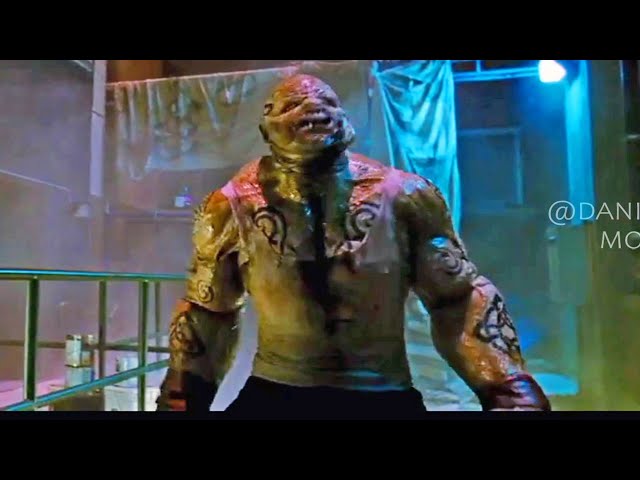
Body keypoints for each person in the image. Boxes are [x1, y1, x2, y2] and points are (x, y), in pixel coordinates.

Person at [155, 74, 551, 417]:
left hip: (381, 393)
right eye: (293, 104)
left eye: (326, 102)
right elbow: (209, 311)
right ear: (266, 129)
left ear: (344, 119)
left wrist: (508, 387)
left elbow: (457, 299)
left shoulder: (406, 196)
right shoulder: (232, 205)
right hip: (277, 390)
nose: (313, 108)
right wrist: (181, 398)